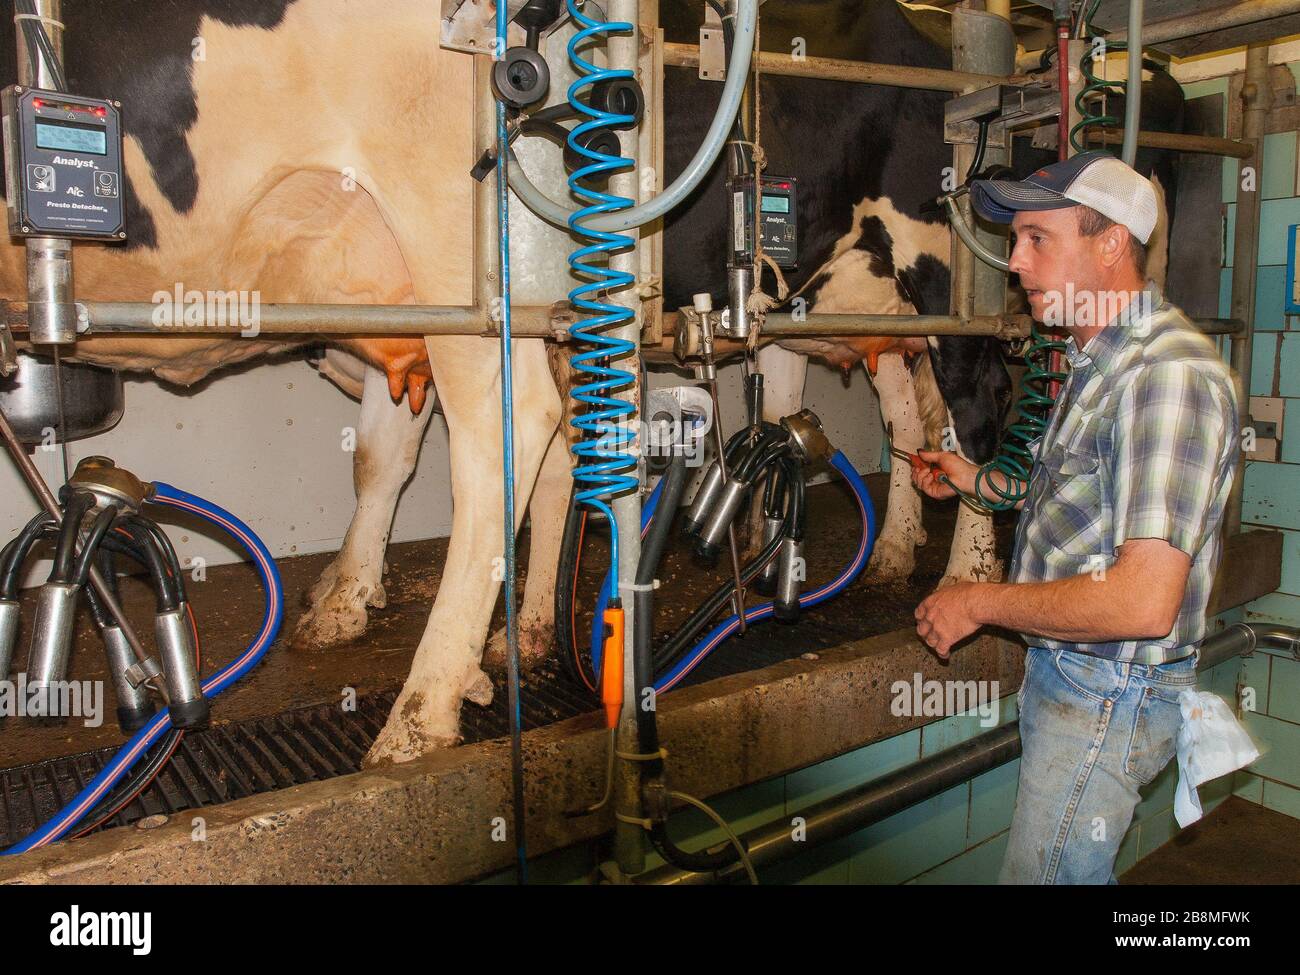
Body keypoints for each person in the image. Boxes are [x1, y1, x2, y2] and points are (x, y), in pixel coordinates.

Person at [910, 150, 1240, 884]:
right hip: (1077, 675)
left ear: (1111, 243)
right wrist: (977, 480)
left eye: (1037, 239)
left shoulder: (1165, 375)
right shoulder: (1099, 360)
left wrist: (978, 600)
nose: (1017, 261)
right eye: (1016, 239)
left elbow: (1144, 600)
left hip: (1107, 691)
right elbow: (1084, 505)